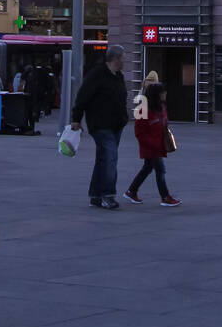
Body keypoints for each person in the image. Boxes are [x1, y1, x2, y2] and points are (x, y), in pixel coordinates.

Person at [70, 44, 129, 209]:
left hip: (116, 125)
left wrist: (123, 118)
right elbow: (83, 96)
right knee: (110, 158)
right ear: (116, 58)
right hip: (100, 125)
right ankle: (108, 194)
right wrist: (76, 118)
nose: (124, 61)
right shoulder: (97, 75)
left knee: (103, 159)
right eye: (123, 57)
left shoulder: (118, 76)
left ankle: (96, 195)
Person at [125, 81, 181, 206]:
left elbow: (164, 124)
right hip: (151, 146)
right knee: (160, 170)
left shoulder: (161, 107)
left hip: (159, 144)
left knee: (147, 168)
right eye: (162, 92)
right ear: (156, 94)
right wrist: (150, 143)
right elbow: (139, 132)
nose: (165, 93)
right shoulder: (143, 110)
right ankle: (165, 197)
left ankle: (131, 191)